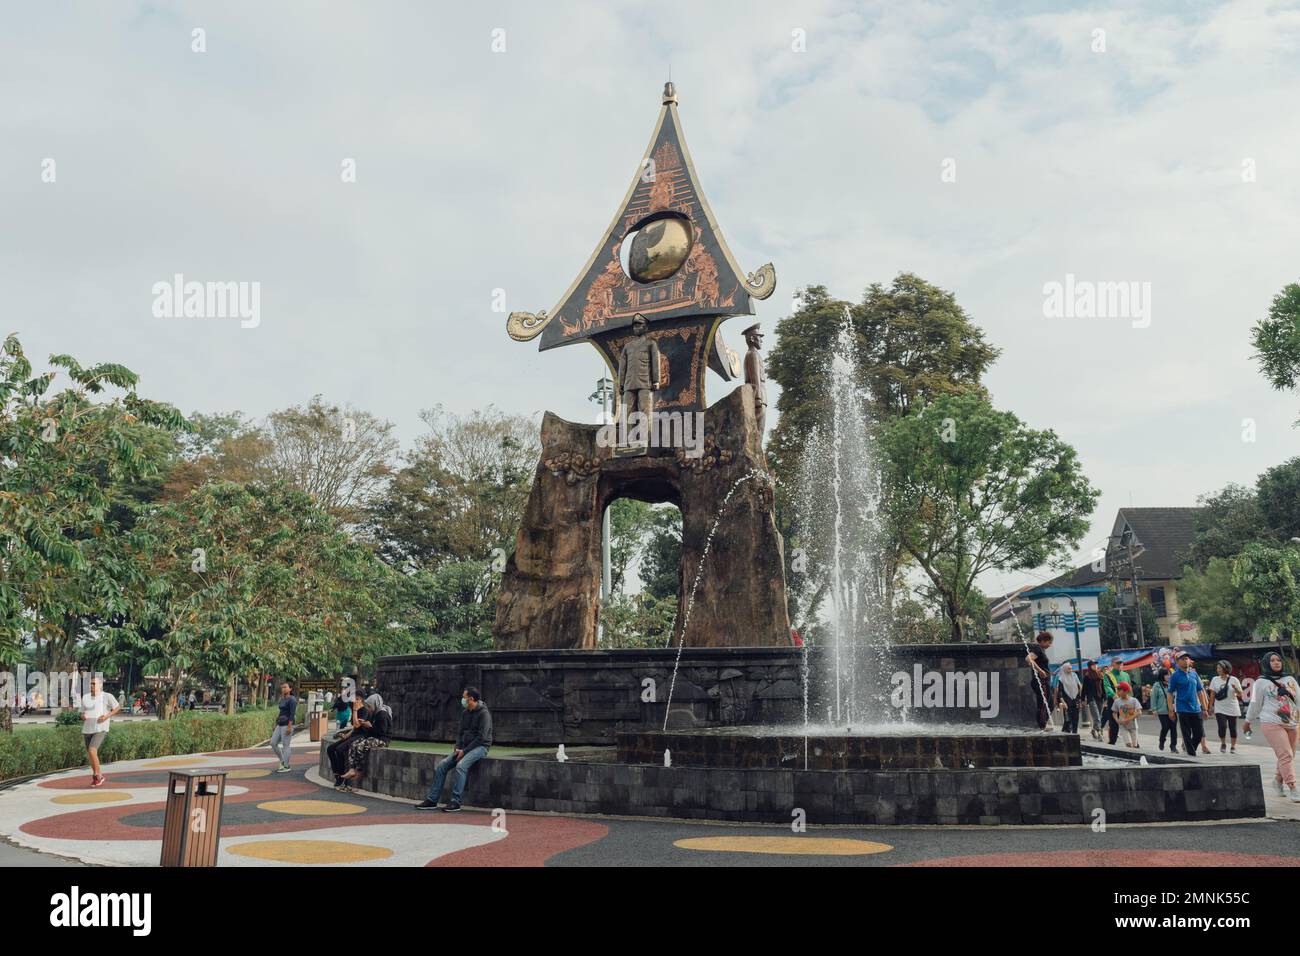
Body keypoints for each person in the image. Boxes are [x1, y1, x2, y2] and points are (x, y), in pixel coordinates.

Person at [415, 687, 494, 812]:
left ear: (471, 699)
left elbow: (481, 737)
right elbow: (460, 733)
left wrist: (465, 751)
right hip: (463, 748)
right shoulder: (465, 713)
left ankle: (455, 801)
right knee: (442, 765)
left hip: (480, 747)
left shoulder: (484, 714)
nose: (462, 700)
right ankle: (432, 800)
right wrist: (458, 746)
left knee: (461, 766)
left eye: (464, 697)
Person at [1243, 651, 1300, 802]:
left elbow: (1298, 699)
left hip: (1293, 722)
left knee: (1287, 755)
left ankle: (1278, 780)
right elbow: (1255, 704)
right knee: (1286, 754)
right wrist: (1248, 721)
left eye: (1278, 660)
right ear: (1266, 663)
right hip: (1271, 722)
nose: (1276, 662)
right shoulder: (1260, 682)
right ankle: (1293, 787)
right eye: (1272, 660)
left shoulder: (1290, 679)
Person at [338, 694, 392, 790]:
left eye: (370, 706)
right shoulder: (376, 713)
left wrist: (370, 726)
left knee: (360, 746)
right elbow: (372, 730)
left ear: (375, 704)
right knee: (354, 744)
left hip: (383, 740)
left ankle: (358, 770)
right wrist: (365, 724)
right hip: (374, 738)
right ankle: (351, 769)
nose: (369, 708)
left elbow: (382, 732)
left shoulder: (382, 714)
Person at [79, 676, 121, 788]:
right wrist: (82, 716)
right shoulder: (86, 697)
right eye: (91, 684)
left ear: (100, 685)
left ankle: (97, 775)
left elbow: (117, 707)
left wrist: (106, 716)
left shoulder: (107, 696)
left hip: (101, 728)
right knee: (91, 754)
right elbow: (82, 712)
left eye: (94, 684)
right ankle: (99, 776)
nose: (92, 686)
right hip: (87, 728)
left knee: (92, 750)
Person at [1168, 653, 1209, 757]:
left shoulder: (1194, 674)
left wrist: (1204, 709)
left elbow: (1200, 691)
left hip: (1196, 708)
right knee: (1186, 734)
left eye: (1186, 658)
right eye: (1182, 659)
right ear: (1177, 662)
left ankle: (1191, 750)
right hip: (1182, 708)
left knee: (1199, 733)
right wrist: (1170, 710)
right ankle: (1192, 754)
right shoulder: (1174, 676)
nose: (1185, 661)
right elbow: (1170, 693)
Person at [1209, 660, 1244, 754]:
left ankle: (1233, 746)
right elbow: (1212, 694)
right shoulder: (1215, 679)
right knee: (1222, 726)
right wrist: (1210, 707)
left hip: (1232, 707)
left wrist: (1236, 688)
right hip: (1219, 707)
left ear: (1225, 668)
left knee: (1233, 727)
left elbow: (1240, 694)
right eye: (1217, 668)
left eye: (1219, 668)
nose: (1218, 670)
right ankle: (1223, 743)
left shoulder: (1234, 679)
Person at [1025, 632, 1054, 731]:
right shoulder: (1038, 649)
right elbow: (1028, 659)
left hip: (1044, 681)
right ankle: (1042, 726)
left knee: (1050, 704)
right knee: (1044, 704)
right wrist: (1040, 671)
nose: (1050, 645)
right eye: (1049, 643)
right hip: (1041, 682)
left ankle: (1043, 724)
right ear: (1043, 641)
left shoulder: (1041, 650)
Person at [270, 681, 297, 773]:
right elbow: (281, 713)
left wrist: (290, 726)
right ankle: (282, 760)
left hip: (287, 725)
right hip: (280, 724)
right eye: (282, 687)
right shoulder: (282, 699)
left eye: (285, 687)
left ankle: (286, 765)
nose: (283, 689)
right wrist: (276, 724)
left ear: (290, 689)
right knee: (273, 743)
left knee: (286, 745)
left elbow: (292, 714)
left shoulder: (292, 699)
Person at [1150, 669, 1178, 752]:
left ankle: (1173, 746)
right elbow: (1154, 697)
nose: (1168, 676)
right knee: (1165, 727)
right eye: (1166, 675)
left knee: (1173, 728)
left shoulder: (1172, 684)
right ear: (1162, 675)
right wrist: (1154, 709)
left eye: (1169, 675)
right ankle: (1162, 741)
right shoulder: (1157, 685)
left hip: (1173, 710)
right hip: (1162, 711)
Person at [1054, 661, 1082, 734]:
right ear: (1064, 669)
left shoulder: (1074, 675)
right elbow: (1059, 692)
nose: (1071, 670)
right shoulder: (1061, 678)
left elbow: (1079, 686)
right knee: (1068, 719)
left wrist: (1080, 699)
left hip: (1075, 699)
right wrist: (1063, 702)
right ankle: (1067, 732)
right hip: (1066, 701)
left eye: (1071, 668)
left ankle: (1075, 733)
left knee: (1076, 718)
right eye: (1069, 669)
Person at [1112, 681, 1142, 748]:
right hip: (1123, 726)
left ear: (1126, 691)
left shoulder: (1134, 700)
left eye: (1119, 690)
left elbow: (1139, 712)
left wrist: (1129, 719)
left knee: (1134, 746)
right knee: (1128, 744)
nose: (1117, 692)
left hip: (1133, 726)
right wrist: (1117, 720)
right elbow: (1114, 713)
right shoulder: (1117, 701)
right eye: (1117, 690)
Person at [1081, 662, 1107, 739]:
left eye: (1096, 664)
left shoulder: (1100, 675)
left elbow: (1103, 687)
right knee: (1096, 717)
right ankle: (1099, 733)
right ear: (1089, 666)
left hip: (1100, 697)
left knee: (1099, 716)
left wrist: (1105, 697)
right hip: (1091, 698)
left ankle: (1093, 730)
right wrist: (1082, 699)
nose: (1095, 666)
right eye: (1093, 665)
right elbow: (1084, 688)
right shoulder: (1087, 676)